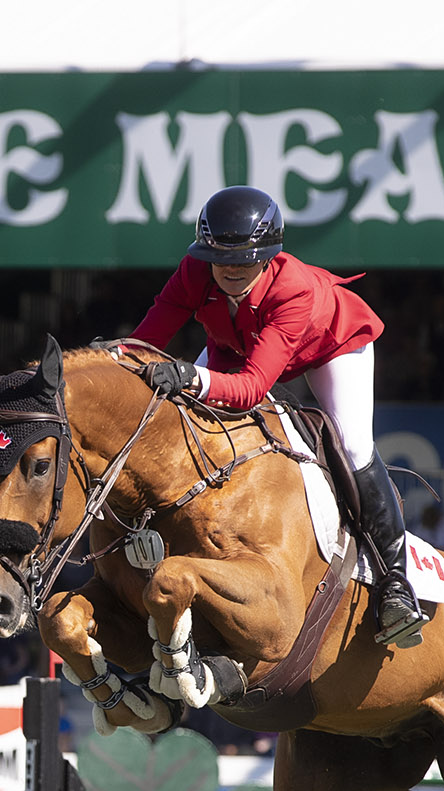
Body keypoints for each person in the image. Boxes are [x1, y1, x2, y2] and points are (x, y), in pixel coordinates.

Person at [128, 186, 424, 647]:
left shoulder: (293, 290)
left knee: (351, 445)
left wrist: (189, 376)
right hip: (242, 346)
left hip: (330, 345)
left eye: (242, 262)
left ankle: (395, 582)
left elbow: (249, 390)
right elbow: (144, 342)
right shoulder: (194, 271)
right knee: (186, 424)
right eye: (215, 257)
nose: (227, 270)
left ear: (267, 257)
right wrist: (106, 362)